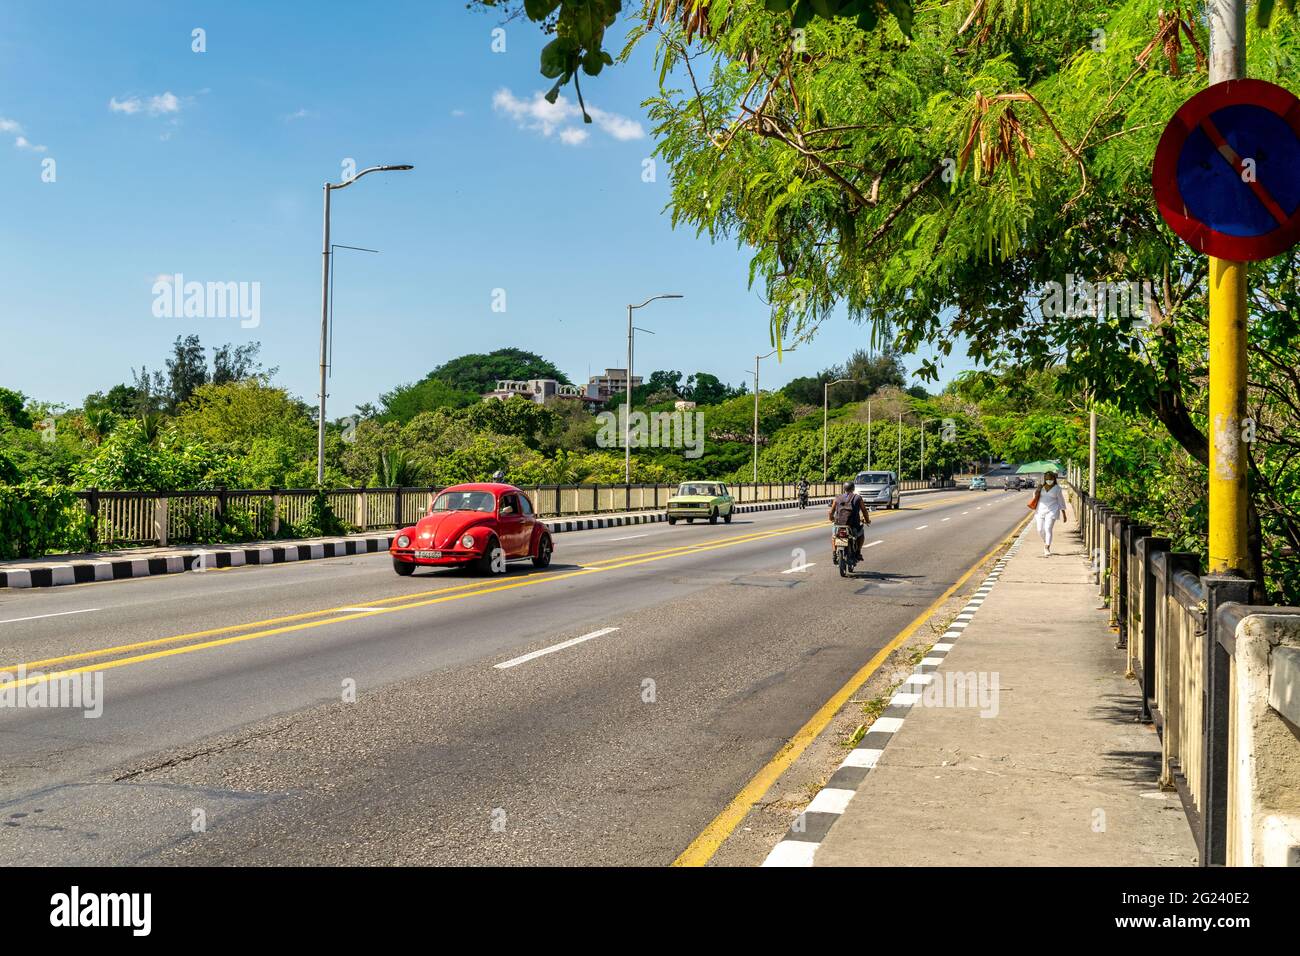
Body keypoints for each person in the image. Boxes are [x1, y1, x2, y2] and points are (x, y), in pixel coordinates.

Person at [828, 480, 871, 561]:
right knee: (861, 534)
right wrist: (867, 520)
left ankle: (834, 553)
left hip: (839, 524)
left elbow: (831, 512)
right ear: (853, 489)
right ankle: (858, 552)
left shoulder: (837, 498)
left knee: (834, 536)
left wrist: (831, 519)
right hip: (853, 525)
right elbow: (864, 511)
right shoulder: (857, 497)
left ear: (844, 488)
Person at [1032, 470, 1068, 556]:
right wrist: (1038, 489)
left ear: (1054, 479)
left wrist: (1064, 514)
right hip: (1040, 510)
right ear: (1045, 479)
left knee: (1048, 528)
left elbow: (1061, 501)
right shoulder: (1041, 487)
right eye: (1047, 478)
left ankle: (1047, 547)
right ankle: (1046, 541)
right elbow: (1034, 497)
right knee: (1040, 529)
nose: (1049, 480)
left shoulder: (1057, 489)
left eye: (1050, 478)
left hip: (1052, 511)